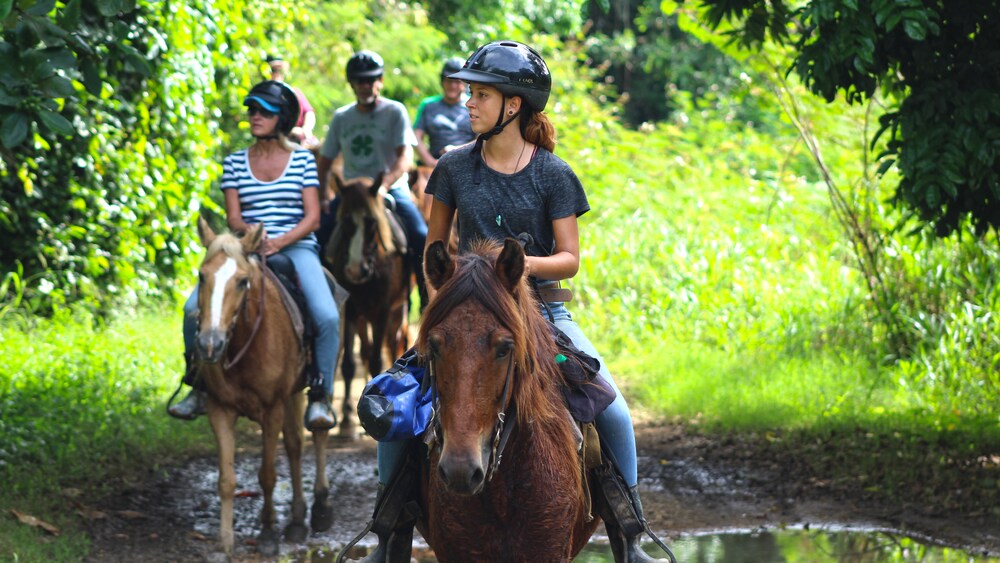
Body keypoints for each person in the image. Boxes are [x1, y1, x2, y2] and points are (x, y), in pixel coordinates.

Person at [354, 41, 671, 563]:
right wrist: (449, 302)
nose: (468, 103)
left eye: (480, 94)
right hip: (466, 313)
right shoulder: (454, 167)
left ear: (514, 105)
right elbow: (436, 252)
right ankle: (388, 537)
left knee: (611, 407)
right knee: (397, 406)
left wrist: (523, 266)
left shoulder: (553, 173)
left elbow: (569, 258)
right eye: (470, 93)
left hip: (544, 312)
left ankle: (629, 536)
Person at [168, 80, 339, 431]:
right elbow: (232, 217)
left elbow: (312, 217)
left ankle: (320, 395)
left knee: (326, 315)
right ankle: (198, 384)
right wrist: (250, 241)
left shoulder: (304, 160)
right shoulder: (234, 162)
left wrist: (279, 241)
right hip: (244, 247)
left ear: (283, 118)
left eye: (264, 111)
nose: (255, 116)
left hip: (296, 246)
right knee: (190, 310)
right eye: (252, 111)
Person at [315, 49, 427, 301]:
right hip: (352, 192)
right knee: (319, 237)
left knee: (420, 235)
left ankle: (427, 302)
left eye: (370, 80)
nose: (366, 86)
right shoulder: (342, 117)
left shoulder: (395, 111)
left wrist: (384, 185)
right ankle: (321, 301)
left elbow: (404, 157)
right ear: (352, 84)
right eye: (359, 81)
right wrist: (323, 196)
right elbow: (325, 161)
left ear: (380, 81)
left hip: (389, 188)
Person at [412, 57, 476, 167]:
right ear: (442, 81)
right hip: (434, 165)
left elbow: (483, 139)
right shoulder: (428, 105)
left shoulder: (473, 105)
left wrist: (456, 151)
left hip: (467, 164)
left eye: (457, 82)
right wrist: (429, 161)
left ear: (464, 84)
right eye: (449, 80)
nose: (452, 86)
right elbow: (415, 136)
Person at [267, 54, 320, 148]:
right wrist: (291, 131)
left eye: (280, 70)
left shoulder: (294, 92)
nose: (277, 73)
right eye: (274, 70)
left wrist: (306, 129)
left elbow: (309, 113)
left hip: (301, 140)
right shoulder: (265, 97)